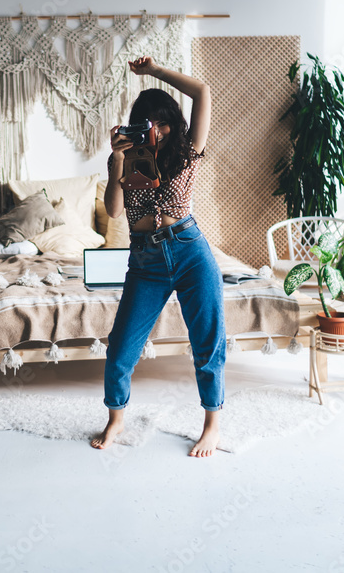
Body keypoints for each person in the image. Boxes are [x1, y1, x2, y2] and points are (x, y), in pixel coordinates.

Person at [91, 56, 225, 458]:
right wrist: (116, 160)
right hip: (146, 261)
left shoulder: (188, 152)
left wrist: (154, 73)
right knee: (120, 350)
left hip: (190, 252)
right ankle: (116, 419)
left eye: (164, 121)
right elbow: (114, 211)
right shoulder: (127, 159)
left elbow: (202, 92)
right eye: (151, 123)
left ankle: (212, 425)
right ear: (139, 126)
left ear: (174, 122)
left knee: (207, 343)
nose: (160, 130)